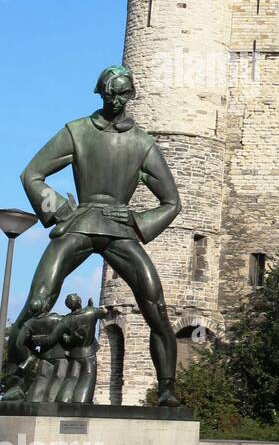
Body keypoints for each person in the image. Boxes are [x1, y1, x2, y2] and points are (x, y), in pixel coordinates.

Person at [1, 65, 182, 405]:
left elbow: (172, 202)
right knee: (39, 300)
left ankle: (167, 389)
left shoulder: (142, 143)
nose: (116, 99)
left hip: (120, 230)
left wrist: (138, 221)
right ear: (100, 92)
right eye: (110, 92)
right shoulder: (78, 131)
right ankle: (14, 379)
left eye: (123, 93)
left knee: (155, 304)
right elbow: (33, 174)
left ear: (131, 95)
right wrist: (61, 212)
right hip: (80, 225)